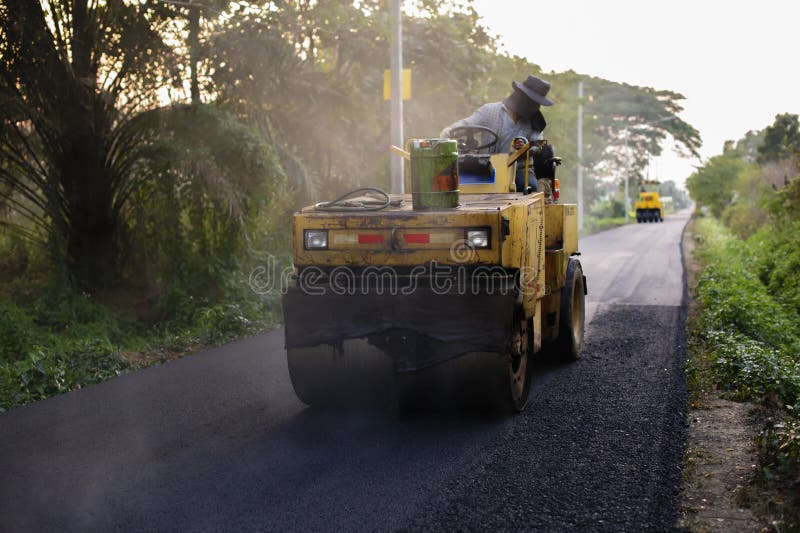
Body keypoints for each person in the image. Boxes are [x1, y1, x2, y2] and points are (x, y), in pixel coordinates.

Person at [440, 75, 554, 191]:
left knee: (531, 188)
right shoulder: (489, 111)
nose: (537, 108)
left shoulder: (536, 123)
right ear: (523, 99)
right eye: (535, 103)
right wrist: (448, 132)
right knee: (451, 184)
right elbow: (466, 125)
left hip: (518, 171)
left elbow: (537, 146)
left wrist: (525, 148)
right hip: (485, 167)